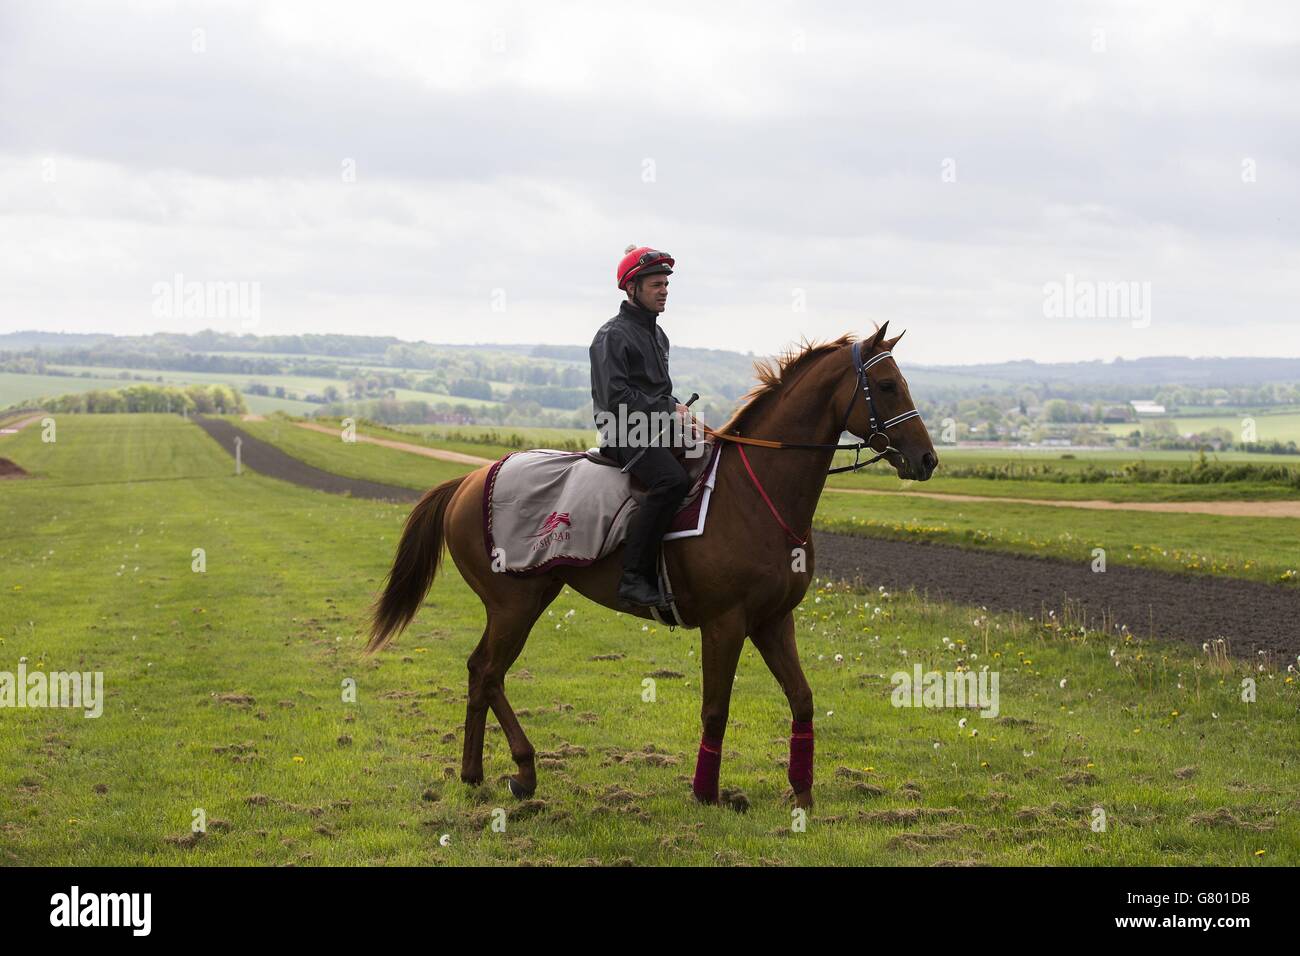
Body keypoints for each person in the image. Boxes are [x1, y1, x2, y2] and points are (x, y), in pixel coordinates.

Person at [589, 245, 693, 608]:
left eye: (666, 283)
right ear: (632, 289)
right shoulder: (611, 336)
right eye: (655, 284)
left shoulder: (659, 336)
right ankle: (633, 577)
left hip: (659, 429)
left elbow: (657, 391)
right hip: (623, 433)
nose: (664, 290)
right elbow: (615, 397)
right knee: (673, 481)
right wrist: (668, 408)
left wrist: (681, 415)